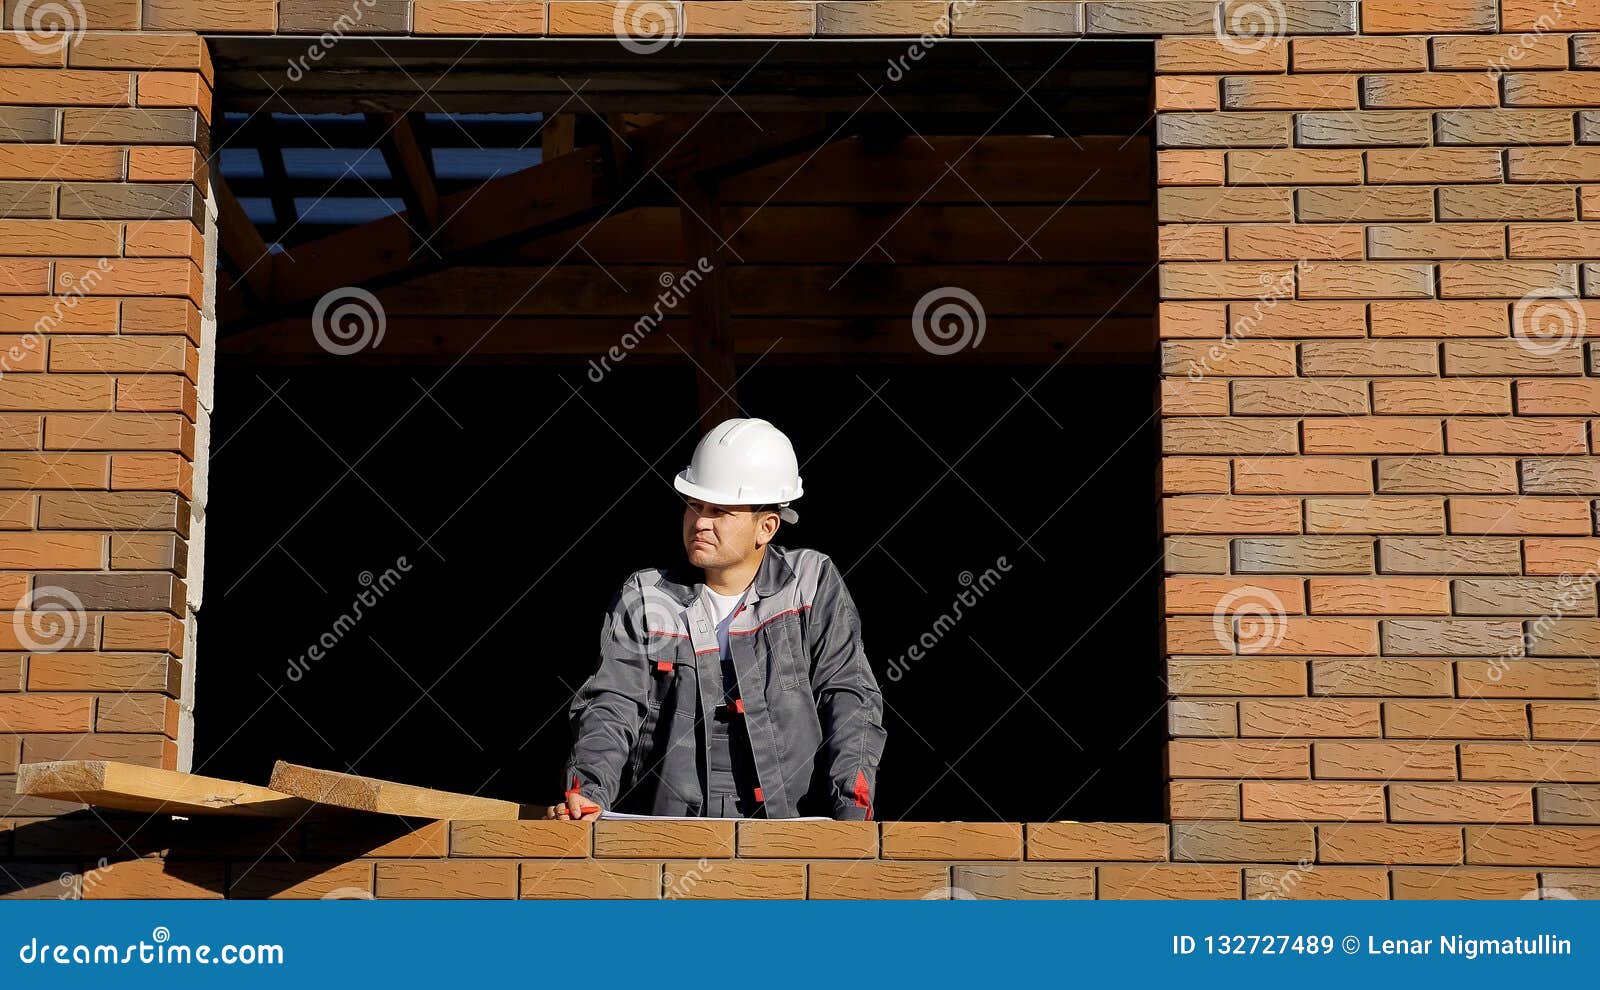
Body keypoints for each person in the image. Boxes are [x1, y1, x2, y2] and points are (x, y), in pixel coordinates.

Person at [546, 417, 886, 821]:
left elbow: (848, 695)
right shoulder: (646, 596)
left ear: (767, 527)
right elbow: (612, 704)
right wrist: (588, 791)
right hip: (667, 841)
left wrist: (852, 807)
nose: (700, 522)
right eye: (694, 505)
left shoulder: (810, 584)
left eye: (719, 511)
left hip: (789, 838)